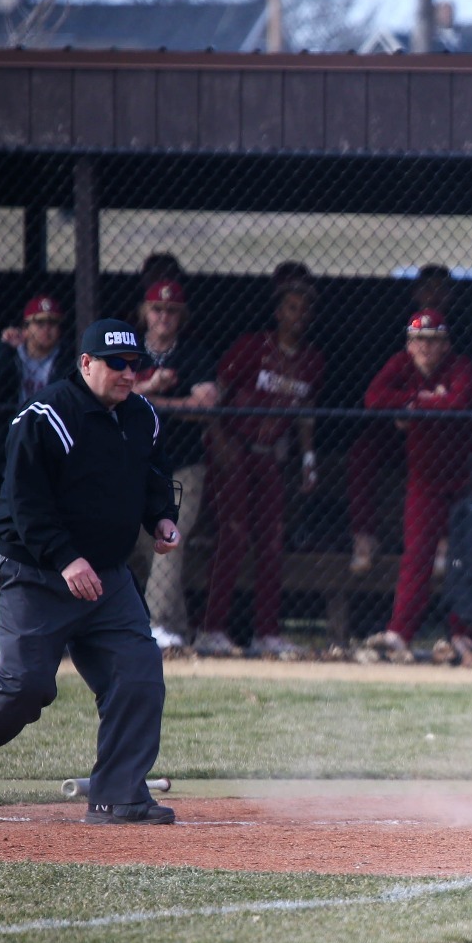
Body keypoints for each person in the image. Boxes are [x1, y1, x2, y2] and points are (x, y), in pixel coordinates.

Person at [0, 320, 180, 824]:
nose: (128, 373)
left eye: (134, 364)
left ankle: (118, 795)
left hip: (106, 577)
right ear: (85, 363)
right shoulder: (45, 415)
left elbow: (153, 474)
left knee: (138, 673)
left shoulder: (142, 416)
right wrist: (66, 557)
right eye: (115, 363)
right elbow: (26, 501)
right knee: (25, 686)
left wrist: (161, 518)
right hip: (35, 572)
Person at [196, 273, 323, 657]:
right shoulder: (251, 347)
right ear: (278, 312)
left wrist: (308, 459)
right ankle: (211, 628)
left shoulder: (312, 361)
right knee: (233, 534)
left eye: (304, 310)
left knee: (272, 539)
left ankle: (266, 632)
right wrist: (218, 441)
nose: (298, 316)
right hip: (234, 448)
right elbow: (216, 396)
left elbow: (305, 413)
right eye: (292, 308)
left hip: (268, 454)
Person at [358, 310, 472, 662]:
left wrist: (412, 404)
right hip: (424, 479)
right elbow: (374, 397)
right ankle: (399, 633)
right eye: (418, 340)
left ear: (446, 344)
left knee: (464, 557)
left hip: (466, 477)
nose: (425, 348)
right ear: (408, 344)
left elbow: (458, 402)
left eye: (433, 340)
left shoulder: (460, 365)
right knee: (417, 556)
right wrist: (426, 399)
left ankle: (463, 634)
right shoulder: (401, 364)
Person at [348, 265, 455, 575]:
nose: (434, 295)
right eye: (428, 288)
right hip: (398, 429)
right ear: (415, 293)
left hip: (442, 433)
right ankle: (364, 539)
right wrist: (410, 403)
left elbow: (459, 398)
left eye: (441, 289)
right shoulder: (395, 336)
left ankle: (444, 542)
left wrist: (424, 407)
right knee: (362, 452)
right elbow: (374, 395)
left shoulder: (459, 339)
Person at [130, 279, 219, 650]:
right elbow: (104, 395)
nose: (163, 317)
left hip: (183, 466)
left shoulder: (194, 354)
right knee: (142, 546)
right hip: (135, 466)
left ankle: (155, 625)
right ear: (144, 313)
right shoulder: (129, 351)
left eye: (171, 311)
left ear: (182, 316)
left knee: (168, 539)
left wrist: (152, 403)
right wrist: (150, 388)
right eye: (157, 309)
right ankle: (176, 630)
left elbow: (206, 405)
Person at [0, 293, 67, 502]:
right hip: (10, 431)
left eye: (53, 323)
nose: (46, 329)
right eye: (39, 323)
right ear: (25, 328)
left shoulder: (67, 359)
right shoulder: (11, 355)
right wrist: (2, 350)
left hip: (48, 431)